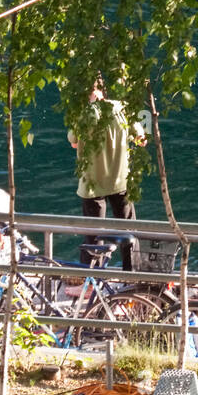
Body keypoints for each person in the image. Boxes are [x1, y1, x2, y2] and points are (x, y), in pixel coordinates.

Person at [71, 81, 144, 264]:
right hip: (120, 180)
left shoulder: (84, 114)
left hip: (92, 183)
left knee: (94, 237)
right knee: (128, 230)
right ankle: (132, 276)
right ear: (103, 89)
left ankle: (90, 283)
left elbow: (73, 142)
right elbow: (142, 139)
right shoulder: (121, 108)